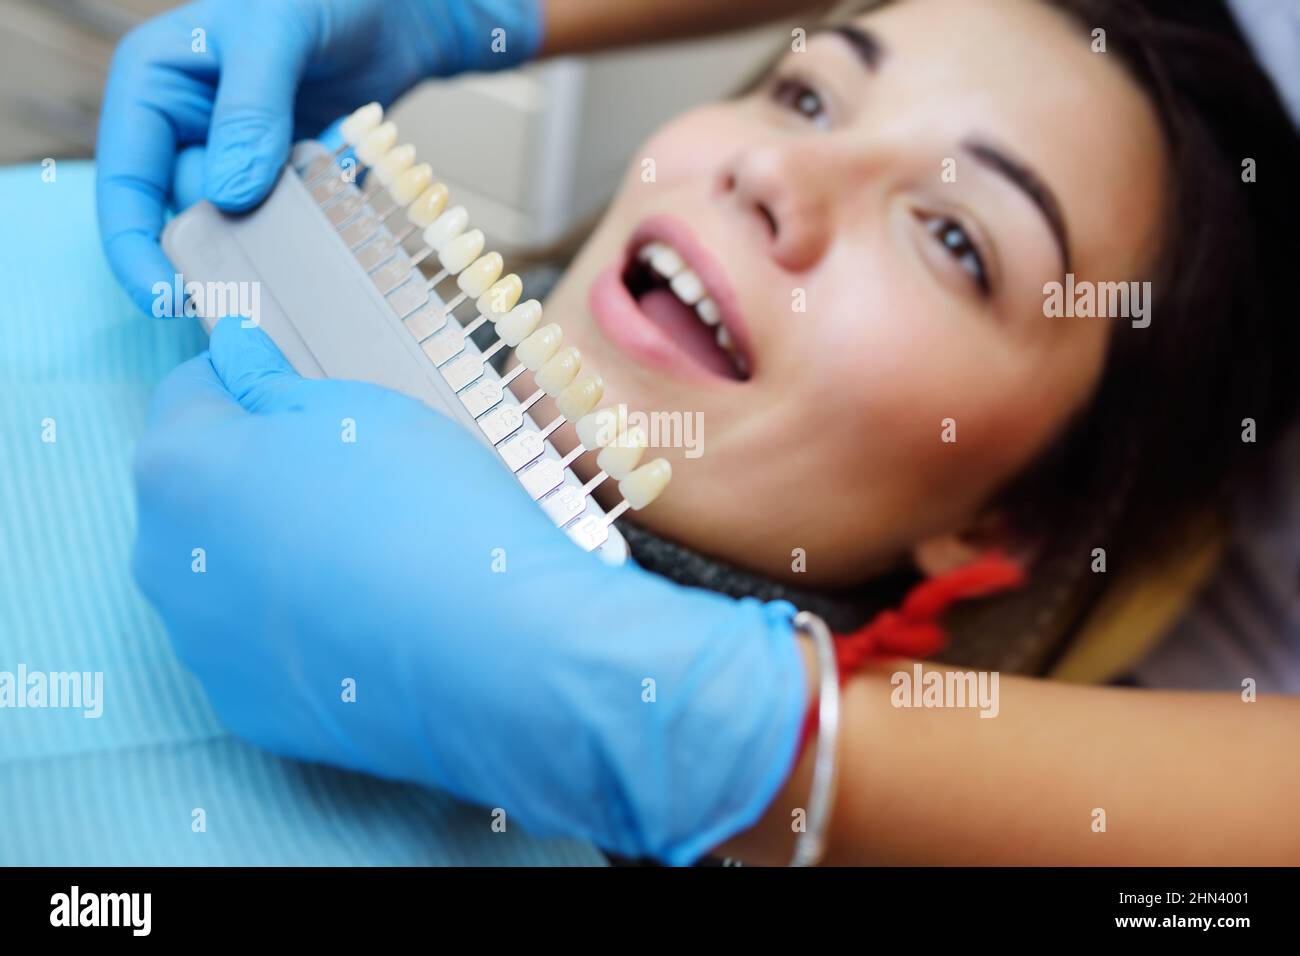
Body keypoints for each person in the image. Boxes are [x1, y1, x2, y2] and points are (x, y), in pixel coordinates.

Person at [88, 0, 1300, 864]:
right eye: (807, 91)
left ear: (1005, 521)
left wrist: (727, 738)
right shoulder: (126, 268)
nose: (774, 172)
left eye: (954, 238)